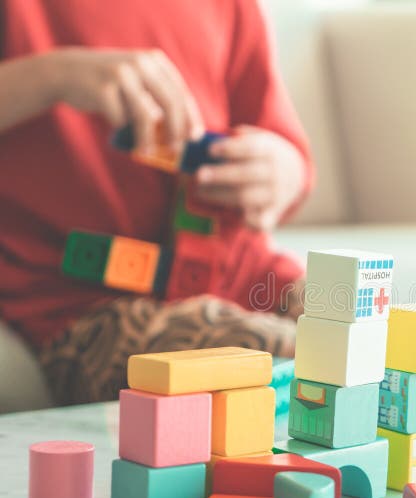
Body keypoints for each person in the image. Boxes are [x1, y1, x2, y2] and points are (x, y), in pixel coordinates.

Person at [0, 0, 312, 405]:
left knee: (380, 341)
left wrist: (281, 171)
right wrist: (55, 74)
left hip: (247, 275)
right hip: (86, 307)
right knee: (287, 364)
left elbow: (291, 156)